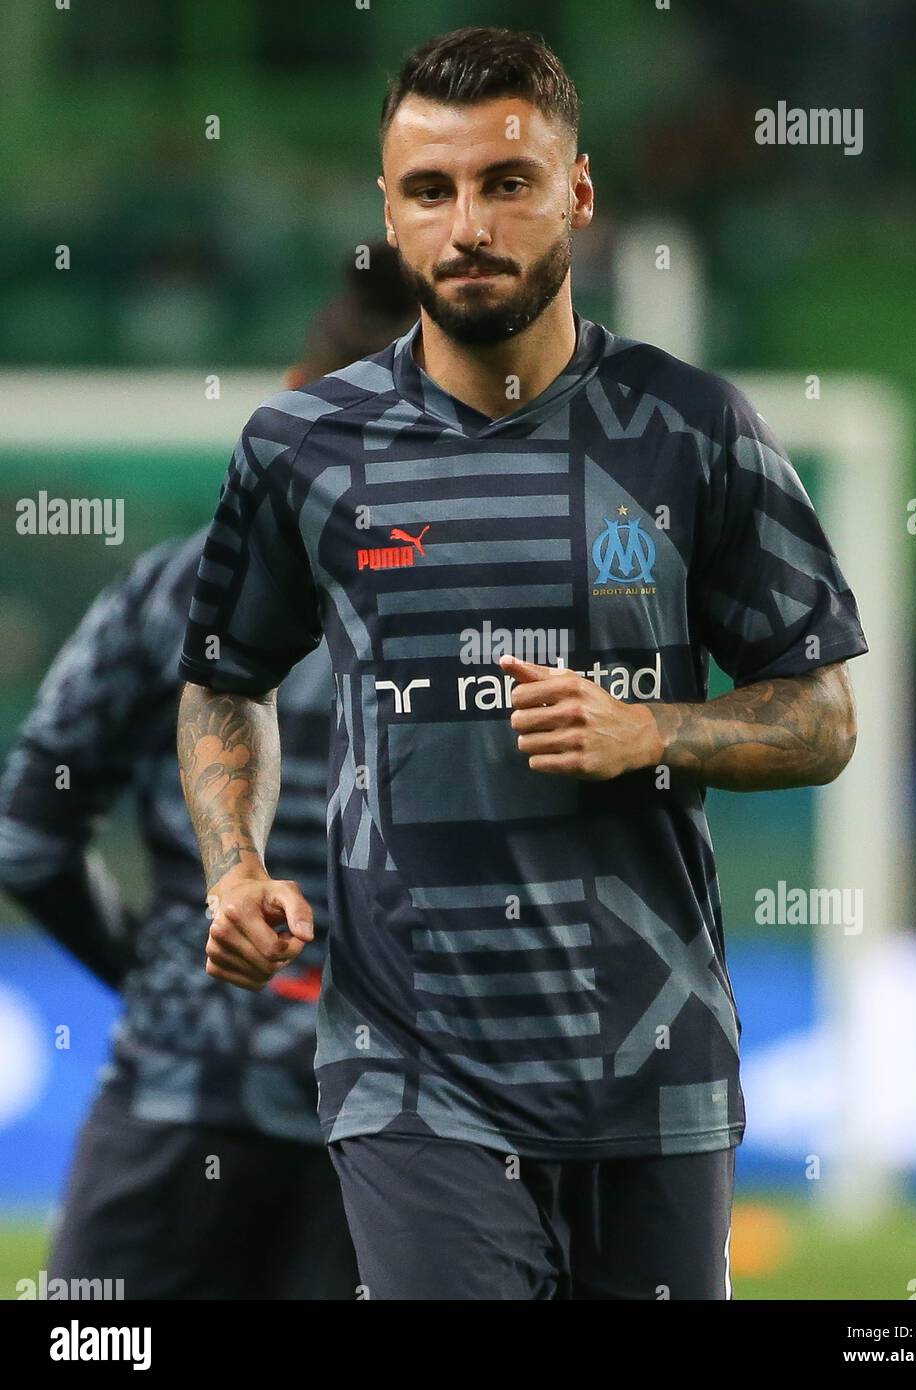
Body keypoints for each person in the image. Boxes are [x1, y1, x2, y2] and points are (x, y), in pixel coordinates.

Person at [177, 27, 867, 1301]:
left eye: (506, 182)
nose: (467, 226)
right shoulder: (301, 447)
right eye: (428, 192)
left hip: (651, 1067)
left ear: (578, 193)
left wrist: (654, 732)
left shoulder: (690, 429)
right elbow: (227, 674)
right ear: (387, 209)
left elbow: (821, 716)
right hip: (409, 1069)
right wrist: (235, 867)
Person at [0, 243, 416, 1299]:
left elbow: (28, 832)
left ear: (285, 405)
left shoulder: (171, 590)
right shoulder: (486, 611)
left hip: (178, 1104)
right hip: (395, 1123)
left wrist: (155, 962)